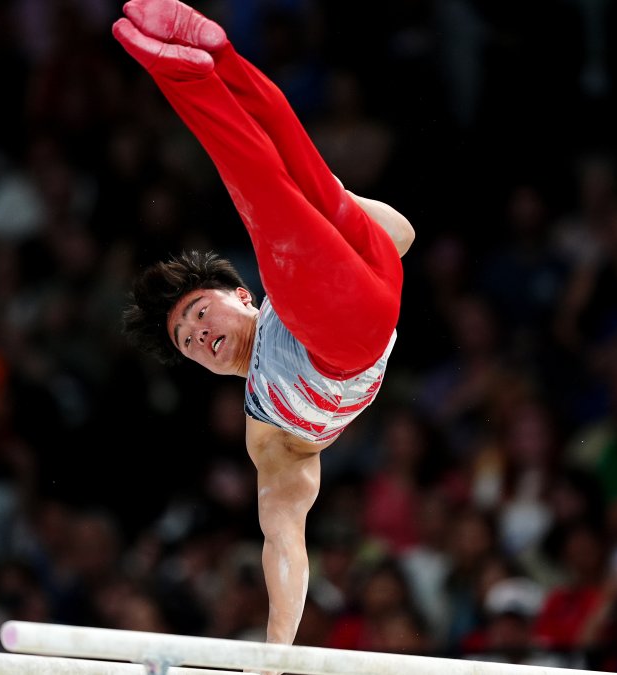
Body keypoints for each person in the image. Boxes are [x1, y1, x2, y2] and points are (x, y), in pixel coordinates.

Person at [114, 0, 414, 653]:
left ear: (240, 297)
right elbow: (284, 538)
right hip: (346, 334)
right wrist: (277, 653)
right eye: (185, 341)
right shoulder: (266, 431)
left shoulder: (277, 285)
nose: (196, 334)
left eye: (197, 312)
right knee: (272, 184)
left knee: (287, 174)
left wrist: (332, 204)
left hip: (361, 273)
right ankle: (192, 68)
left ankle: (211, 56)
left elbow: (400, 233)